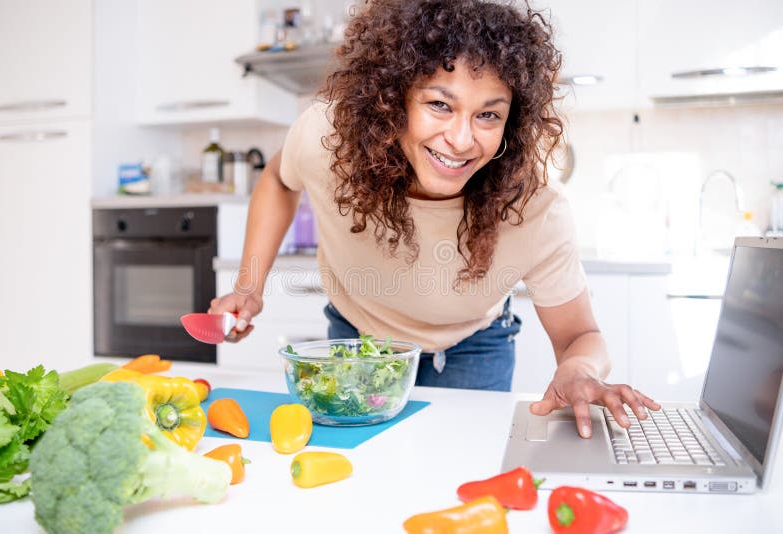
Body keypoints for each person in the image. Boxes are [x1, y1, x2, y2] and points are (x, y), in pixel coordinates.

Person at [209, 0, 660, 438]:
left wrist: (579, 370)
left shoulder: (535, 207)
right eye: (439, 105)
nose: (461, 139)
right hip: (357, 339)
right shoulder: (328, 138)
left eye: (488, 115)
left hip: (471, 351)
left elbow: (580, 335)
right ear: (392, 98)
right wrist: (249, 287)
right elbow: (278, 180)